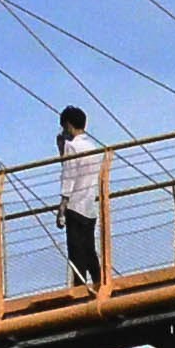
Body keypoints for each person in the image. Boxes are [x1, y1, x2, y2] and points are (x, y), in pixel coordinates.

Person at [54, 104, 104, 287]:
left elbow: (69, 174)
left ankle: (79, 287)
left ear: (68, 125)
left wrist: (62, 205)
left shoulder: (71, 146)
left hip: (75, 205)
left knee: (76, 252)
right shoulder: (93, 148)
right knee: (89, 249)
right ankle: (99, 282)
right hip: (89, 205)